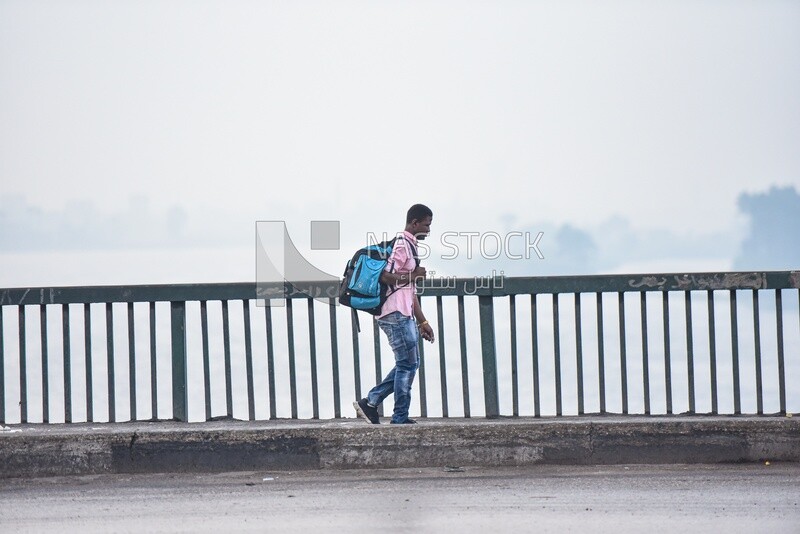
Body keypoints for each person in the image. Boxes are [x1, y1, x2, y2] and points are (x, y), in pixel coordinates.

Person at [353, 203, 435, 425]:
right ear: (414, 223)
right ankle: (397, 416)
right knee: (408, 364)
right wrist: (414, 275)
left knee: (409, 363)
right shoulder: (402, 245)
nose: (428, 230)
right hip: (394, 313)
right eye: (426, 225)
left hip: (402, 313)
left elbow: (409, 292)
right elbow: (385, 277)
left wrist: (422, 321)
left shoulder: (410, 246)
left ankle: (371, 402)